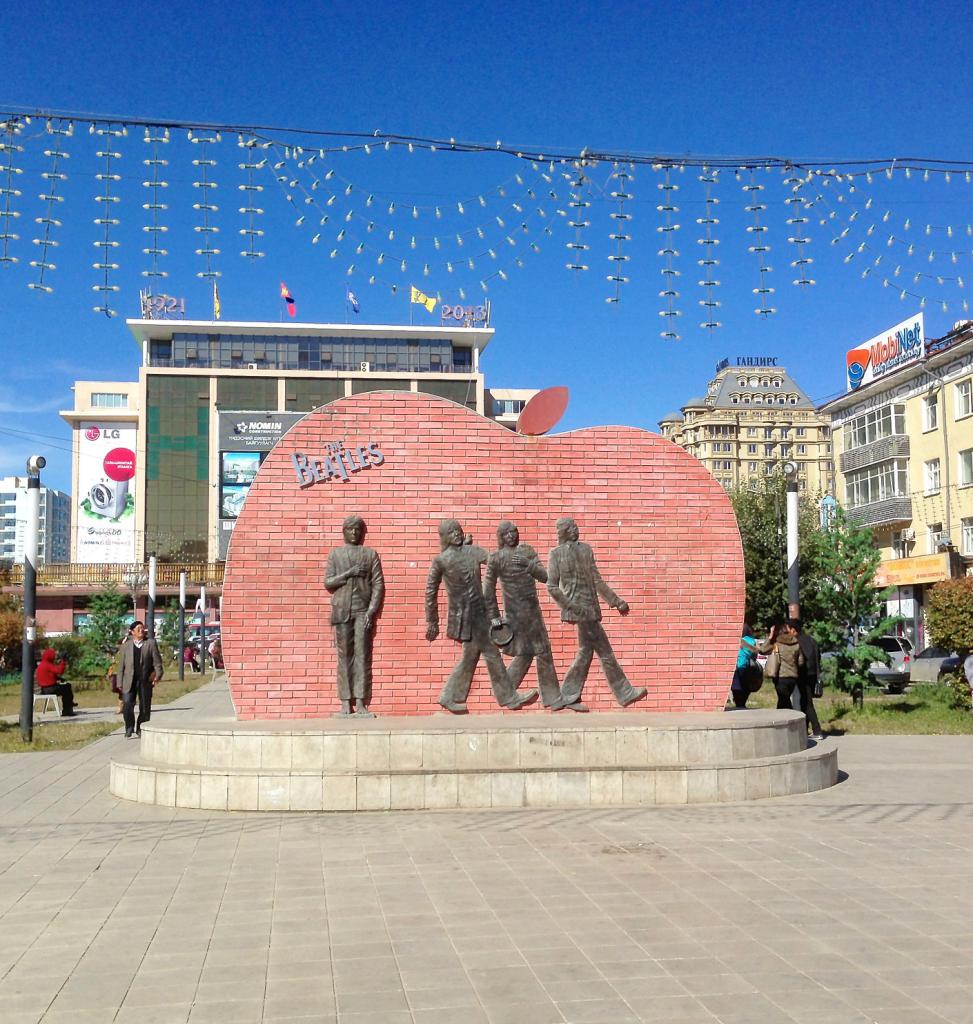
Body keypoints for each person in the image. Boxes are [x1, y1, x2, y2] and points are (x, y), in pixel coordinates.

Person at [425, 518, 537, 713]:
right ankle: (507, 698)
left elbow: (494, 561)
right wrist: (432, 620)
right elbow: (430, 591)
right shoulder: (441, 560)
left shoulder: (473, 552)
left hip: (480, 613)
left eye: (458, 530)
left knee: (473, 656)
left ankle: (450, 696)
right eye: (451, 532)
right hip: (463, 617)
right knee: (490, 654)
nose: (456, 534)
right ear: (444, 537)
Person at [547, 517, 647, 708]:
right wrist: (569, 605)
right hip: (577, 611)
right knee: (603, 652)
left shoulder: (586, 550)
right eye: (571, 528)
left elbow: (596, 580)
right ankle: (623, 693)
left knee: (587, 652)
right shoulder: (556, 554)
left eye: (576, 527)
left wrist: (615, 601)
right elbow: (552, 586)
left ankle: (567, 696)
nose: (576, 530)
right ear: (564, 531)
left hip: (591, 609)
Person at [484, 520, 579, 711]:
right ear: (501, 537)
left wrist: (529, 565)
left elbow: (545, 577)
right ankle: (515, 693)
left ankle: (538, 696)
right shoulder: (496, 558)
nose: (512, 535)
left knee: (537, 652)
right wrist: (494, 615)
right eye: (507, 533)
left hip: (533, 612)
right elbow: (488, 589)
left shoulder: (527, 551)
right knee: (531, 652)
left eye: (514, 531)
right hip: (514, 614)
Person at [325, 514, 385, 716]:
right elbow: (328, 583)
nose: (354, 532)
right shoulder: (336, 555)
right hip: (341, 611)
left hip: (362, 611)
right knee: (344, 657)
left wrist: (371, 610)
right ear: (344, 532)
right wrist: (348, 573)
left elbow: (378, 584)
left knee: (362, 656)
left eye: (357, 529)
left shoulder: (370, 555)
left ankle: (360, 702)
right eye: (350, 529)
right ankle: (345, 702)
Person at [117, 621, 164, 738]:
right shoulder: (126, 646)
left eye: (142, 628)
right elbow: (121, 666)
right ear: (132, 632)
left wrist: (158, 675)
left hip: (145, 679)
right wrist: (119, 682)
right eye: (138, 629)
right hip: (129, 680)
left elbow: (157, 662)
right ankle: (129, 727)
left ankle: (141, 728)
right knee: (127, 704)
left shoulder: (150, 643)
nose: (141, 630)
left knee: (145, 705)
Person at [792, 617, 825, 739]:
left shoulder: (797, 641)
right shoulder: (811, 640)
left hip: (803, 675)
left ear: (794, 630)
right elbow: (818, 657)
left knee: (807, 703)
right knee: (804, 701)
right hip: (813, 675)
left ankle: (817, 730)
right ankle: (804, 730)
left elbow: (799, 659)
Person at [760, 621, 805, 711]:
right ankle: (782, 716)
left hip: (780, 677)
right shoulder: (796, 644)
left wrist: (770, 637)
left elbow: (762, 650)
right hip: (793, 677)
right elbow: (801, 662)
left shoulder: (777, 644)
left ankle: (790, 717)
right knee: (783, 700)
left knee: (784, 700)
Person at [35, 647, 76, 717]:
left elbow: (48, 675)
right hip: (50, 689)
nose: (55, 657)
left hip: (44, 689)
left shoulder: (42, 664)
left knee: (66, 687)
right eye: (53, 655)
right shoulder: (47, 665)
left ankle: (69, 704)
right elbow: (59, 671)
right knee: (67, 688)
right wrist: (63, 661)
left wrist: (59, 678)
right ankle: (67, 709)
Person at [730, 623, 759, 709]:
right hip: (749, 668)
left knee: (736, 688)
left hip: (737, 668)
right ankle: (742, 704)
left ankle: (738, 704)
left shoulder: (737, 640)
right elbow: (755, 656)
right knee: (745, 688)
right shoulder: (752, 641)